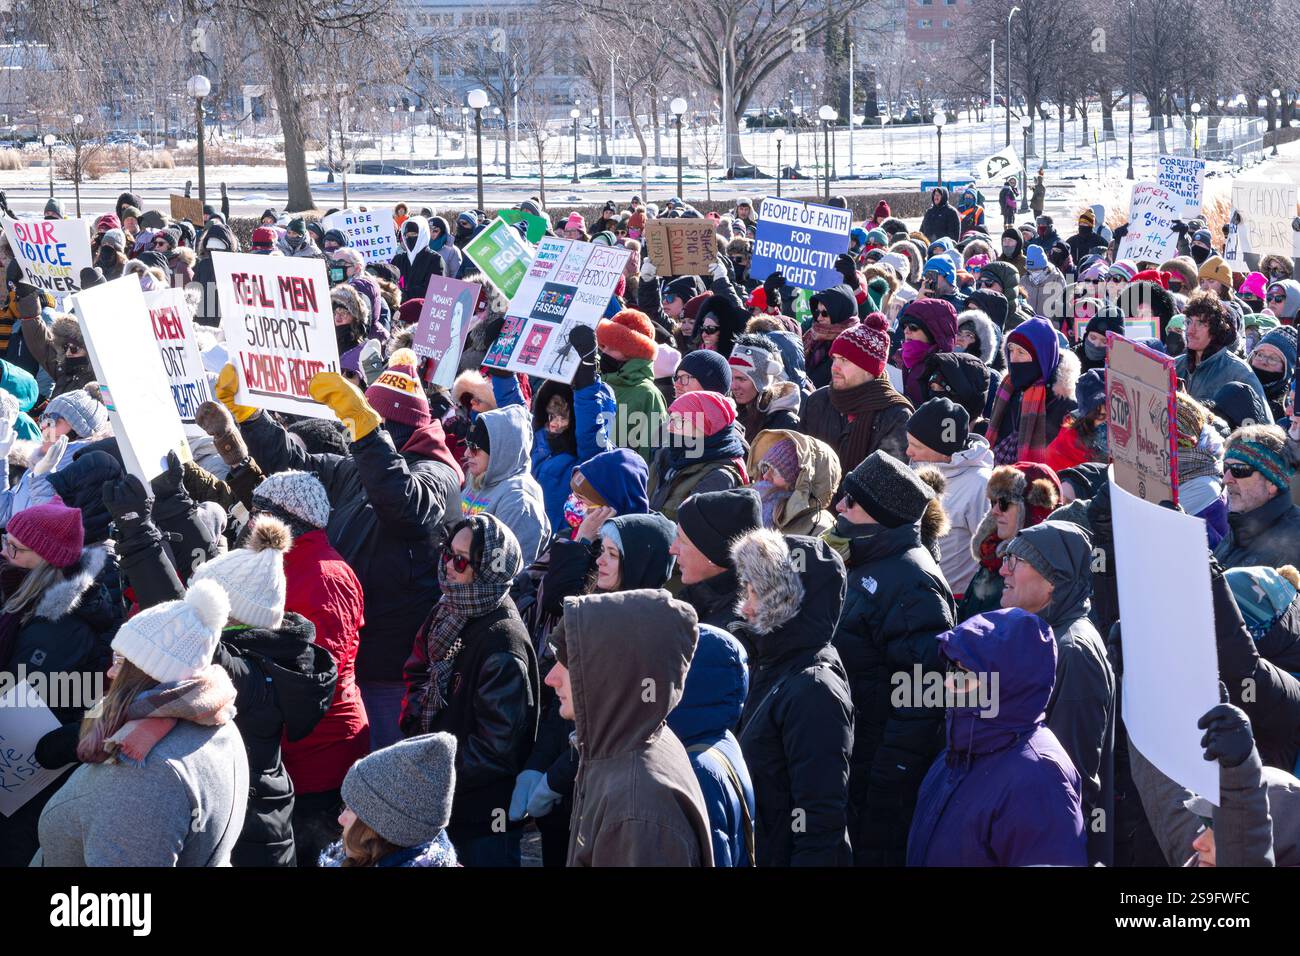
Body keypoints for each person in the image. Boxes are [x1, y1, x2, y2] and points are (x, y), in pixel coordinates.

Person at [219, 351, 463, 752]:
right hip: (348, 646)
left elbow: (403, 506)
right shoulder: (361, 464)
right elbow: (295, 463)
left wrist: (367, 433)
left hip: (390, 666)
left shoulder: (437, 473)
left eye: (369, 423)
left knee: (380, 776)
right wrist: (252, 417)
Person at [35, 581, 248, 867]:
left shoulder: (145, 772)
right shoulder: (218, 719)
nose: (111, 671)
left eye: (122, 661)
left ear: (149, 673)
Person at [825, 450, 954, 865]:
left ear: (880, 514)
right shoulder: (866, 558)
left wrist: (889, 779)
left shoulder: (913, 583)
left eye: (852, 500)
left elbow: (923, 700)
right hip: (851, 756)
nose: (839, 506)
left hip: (876, 772)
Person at [188, 516, 337, 867]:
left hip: (253, 835)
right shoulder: (265, 657)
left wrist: (141, 537)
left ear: (228, 615)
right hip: (264, 819)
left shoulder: (245, 672)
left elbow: (190, 634)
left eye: (200, 606)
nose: (189, 613)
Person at [400, 513, 539, 866]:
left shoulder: (503, 646)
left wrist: (432, 773)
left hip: (480, 815)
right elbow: (418, 671)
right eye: (447, 552)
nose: (447, 564)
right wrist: (417, 730)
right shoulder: (449, 606)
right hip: (442, 798)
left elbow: (496, 751)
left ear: (488, 572)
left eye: (460, 561)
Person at [248, 471, 369, 868]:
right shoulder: (287, 564)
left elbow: (319, 677)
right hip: (296, 744)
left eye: (258, 513)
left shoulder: (322, 576)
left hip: (321, 751)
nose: (249, 523)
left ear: (284, 521)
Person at [545, 589, 714, 866]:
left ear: (610, 671)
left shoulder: (636, 810)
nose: (551, 679)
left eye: (568, 663)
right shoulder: (624, 739)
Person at [907, 608, 1087, 866]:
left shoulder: (1040, 780)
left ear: (1004, 683)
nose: (947, 683)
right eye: (950, 668)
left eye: (962, 673)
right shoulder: (960, 749)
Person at [0, 499, 120, 866]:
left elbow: (17, 704)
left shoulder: (58, 629)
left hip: (26, 780)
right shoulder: (28, 599)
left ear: (45, 562)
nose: (4, 551)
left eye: (14, 548)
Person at [731, 529, 854, 865]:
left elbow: (819, 824)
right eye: (746, 589)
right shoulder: (770, 661)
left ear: (787, 604)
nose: (746, 607)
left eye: (756, 593)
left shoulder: (814, 689)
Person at [1000, 520, 1116, 865]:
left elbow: (1067, 777)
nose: (1003, 569)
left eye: (1016, 561)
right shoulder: (1042, 634)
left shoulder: (1072, 651)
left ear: (1052, 581)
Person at [1129, 703, 1300, 867]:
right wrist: (1142, 704)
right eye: (1207, 826)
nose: (1198, 843)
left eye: (1223, 832)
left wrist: (1240, 769)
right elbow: (1164, 793)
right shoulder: (1201, 858)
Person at [321, 732, 460, 867]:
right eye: (345, 807)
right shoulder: (342, 857)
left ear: (383, 828)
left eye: (350, 809)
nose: (341, 819)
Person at [800, 314, 913, 475]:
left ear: (869, 368)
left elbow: (887, 481)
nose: (835, 367)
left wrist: (847, 500)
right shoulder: (818, 400)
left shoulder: (895, 416)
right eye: (835, 358)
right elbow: (799, 457)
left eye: (845, 360)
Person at [905, 397, 994, 597]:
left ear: (943, 451)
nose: (908, 451)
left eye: (916, 446)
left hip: (953, 598)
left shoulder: (980, 484)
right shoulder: (916, 466)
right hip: (912, 588)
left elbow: (990, 552)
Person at [957, 461, 1061, 621]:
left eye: (1004, 503)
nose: (995, 511)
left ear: (1031, 509)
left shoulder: (1038, 573)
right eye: (994, 502)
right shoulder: (991, 557)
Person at [461, 403, 550, 565]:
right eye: (467, 445)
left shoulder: (520, 502)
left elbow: (504, 572)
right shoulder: (478, 480)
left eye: (475, 448)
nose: (467, 454)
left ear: (500, 451)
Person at [985, 317, 1080, 465]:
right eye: (1011, 350)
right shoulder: (1008, 387)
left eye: (1021, 352)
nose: (1014, 358)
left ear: (1040, 357)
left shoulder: (1063, 402)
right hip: (995, 469)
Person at [670, 487, 761, 634]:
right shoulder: (706, 601)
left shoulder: (735, 629)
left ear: (714, 554)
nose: (672, 549)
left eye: (682, 540)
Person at [648, 391, 747, 522]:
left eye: (681, 421)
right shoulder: (665, 457)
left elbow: (690, 531)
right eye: (671, 419)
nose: (670, 427)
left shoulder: (719, 477)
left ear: (707, 427)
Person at [1216, 424, 1300, 569]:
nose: (1226, 479)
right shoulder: (1241, 522)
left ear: (1272, 483)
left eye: (1239, 469)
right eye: (1226, 468)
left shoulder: (1295, 540)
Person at [1176, 291, 1270, 412]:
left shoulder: (1239, 374)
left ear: (1217, 329)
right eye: (1188, 322)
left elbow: (1263, 427)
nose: (1190, 331)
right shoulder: (1173, 367)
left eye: (1200, 323)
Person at [597, 309, 667, 465]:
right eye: (604, 347)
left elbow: (651, 453)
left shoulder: (647, 394)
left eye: (613, 348)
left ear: (632, 353)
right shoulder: (598, 384)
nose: (605, 353)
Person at [745, 429, 840, 536]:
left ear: (801, 482)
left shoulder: (821, 529)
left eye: (776, 471)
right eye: (765, 468)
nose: (766, 476)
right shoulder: (749, 507)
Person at [728, 335, 800, 436]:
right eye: (731, 378)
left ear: (761, 382)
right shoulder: (730, 411)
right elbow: (699, 450)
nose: (733, 386)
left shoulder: (784, 422)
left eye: (742, 379)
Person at [392, 215, 445, 303]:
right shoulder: (398, 259)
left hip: (422, 309)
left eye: (414, 234)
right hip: (399, 309)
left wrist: (402, 294)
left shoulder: (434, 260)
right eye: (407, 235)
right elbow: (391, 283)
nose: (410, 238)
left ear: (423, 234)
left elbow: (432, 290)